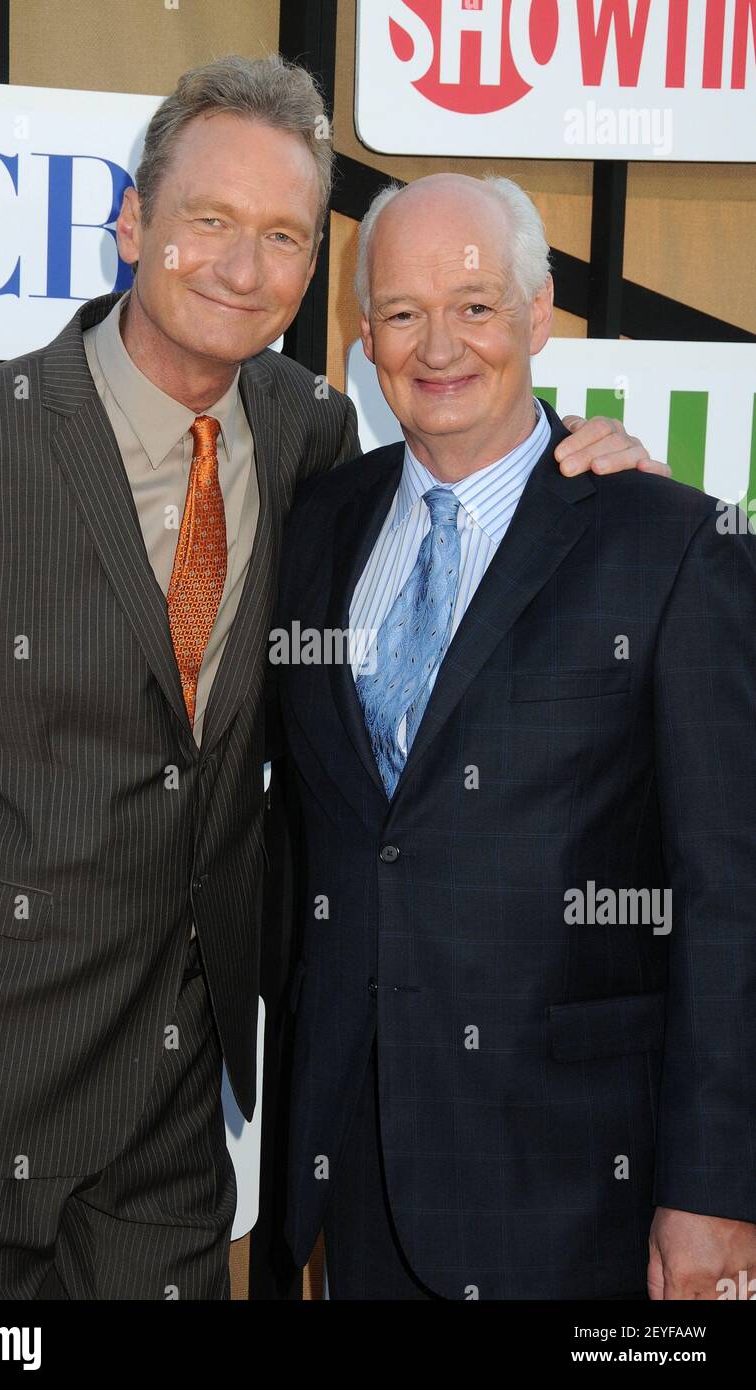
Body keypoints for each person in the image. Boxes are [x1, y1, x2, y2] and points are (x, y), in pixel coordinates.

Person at [0, 55, 660, 1300]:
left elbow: (464, 442)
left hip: (179, 1107)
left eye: (283, 237)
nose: (242, 269)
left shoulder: (310, 436)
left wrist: (569, 443)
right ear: (132, 225)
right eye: (207, 223)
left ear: (313, 273)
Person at [276, 172, 756, 1300]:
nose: (437, 345)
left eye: (476, 305)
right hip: (357, 1160)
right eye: (400, 312)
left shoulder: (669, 546)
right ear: (363, 335)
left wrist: (715, 1186)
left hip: (578, 1188)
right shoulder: (320, 523)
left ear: (540, 314)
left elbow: (731, 890)